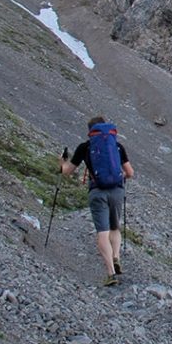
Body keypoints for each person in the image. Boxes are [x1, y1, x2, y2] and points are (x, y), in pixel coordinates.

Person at [60, 116, 135, 286]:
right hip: (117, 190)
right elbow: (130, 173)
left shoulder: (85, 148)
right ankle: (116, 257)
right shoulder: (116, 146)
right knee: (115, 228)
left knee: (103, 232)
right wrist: (119, 177)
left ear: (90, 131)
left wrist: (61, 161)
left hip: (97, 192)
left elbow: (66, 171)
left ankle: (110, 274)